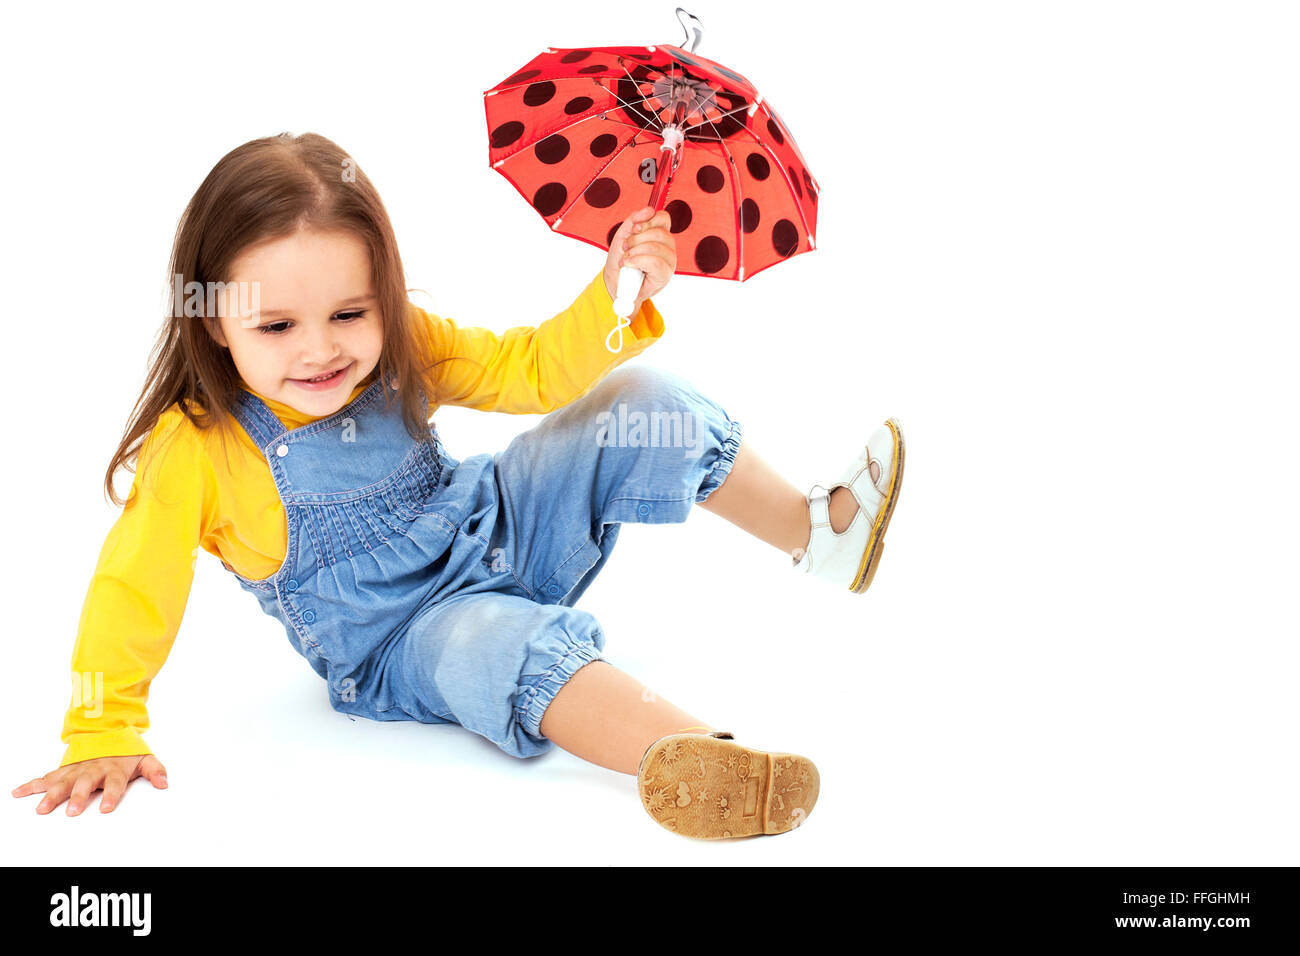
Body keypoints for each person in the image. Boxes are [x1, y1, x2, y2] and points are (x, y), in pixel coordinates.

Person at [10, 132, 904, 840]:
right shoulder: (198, 450)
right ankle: (697, 760)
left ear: (383, 294)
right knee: (501, 646)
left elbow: (527, 372)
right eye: (277, 325)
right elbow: (129, 592)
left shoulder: (407, 342)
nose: (321, 349)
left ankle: (813, 531)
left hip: (495, 527)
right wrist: (101, 728)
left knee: (641, 402)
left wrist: (614, 296)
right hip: (406, 636)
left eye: (349, 313)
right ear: (211, 325)